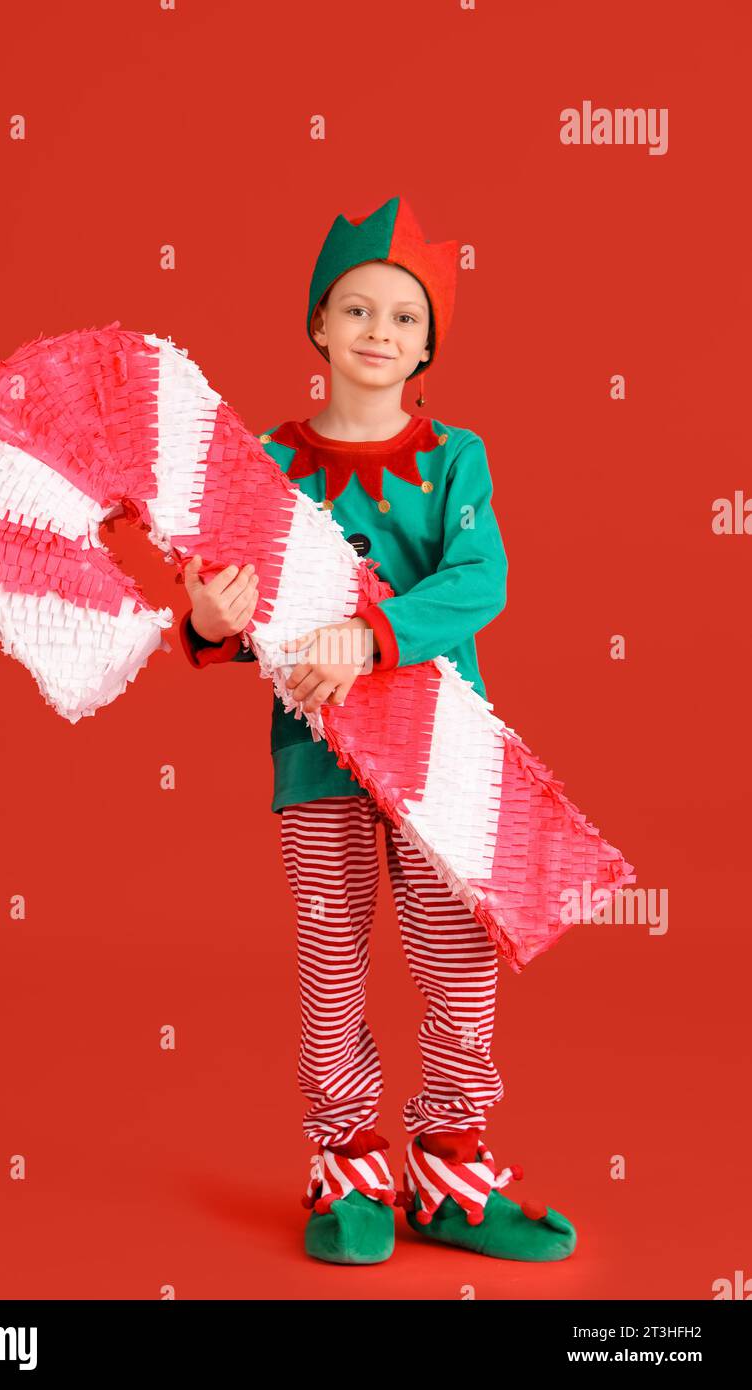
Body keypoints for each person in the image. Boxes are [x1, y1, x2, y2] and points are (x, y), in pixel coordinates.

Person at [178, 195, 576, 1265]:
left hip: (443, 754)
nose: (377, 332)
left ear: (427, 344)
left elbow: (476, 576)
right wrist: (207, 621)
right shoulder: (264, 459)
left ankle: (450, 1166)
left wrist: (370, 632)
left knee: (457, 958)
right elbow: (233, 597)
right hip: (316, 755)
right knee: (329, 956)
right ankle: (344, 1164)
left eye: (403, 318)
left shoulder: (456, 457)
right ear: (317, 325)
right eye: (355, 309)